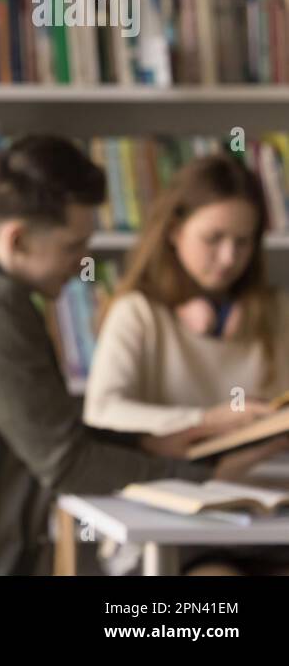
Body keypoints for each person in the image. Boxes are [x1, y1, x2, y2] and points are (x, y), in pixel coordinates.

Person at [0, 135, 286, 575]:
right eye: (74, 247)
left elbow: (47, 424)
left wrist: (149, 443)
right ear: (18, 239)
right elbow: (67, 464)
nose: (82, 262)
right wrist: (203, 471)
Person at [84, 154, 289, 575]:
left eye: (244, 241)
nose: (229, 257)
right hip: (174, 520)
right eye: (213, 238)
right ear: (175, 232)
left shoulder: (276, 312)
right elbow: (101, 413)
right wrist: (210, 420)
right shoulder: (138, 312)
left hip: (270, 512)